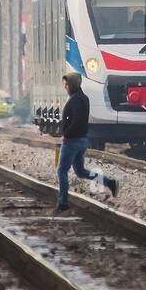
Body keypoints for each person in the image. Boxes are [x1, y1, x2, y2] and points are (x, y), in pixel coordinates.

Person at [56, 72, 118, 213]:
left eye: (67, 84)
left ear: (73, 84)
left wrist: (66, 134)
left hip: (72, 141)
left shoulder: (75, 100)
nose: (65, 87)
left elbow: (76, 121)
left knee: (61, 171)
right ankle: (109, 182)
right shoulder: (84, 98)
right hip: (82, 140)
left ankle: (63, 203)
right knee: (81, 171)